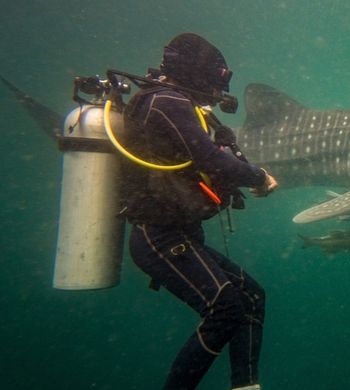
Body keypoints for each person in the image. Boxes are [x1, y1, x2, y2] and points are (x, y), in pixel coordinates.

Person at [118, 33, 277, 390]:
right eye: (218, 78)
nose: (220, 89)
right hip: (158, 235)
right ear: (198, 73)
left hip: (181, 232)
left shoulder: (177, 103)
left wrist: (241, 175)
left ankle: (246, 385)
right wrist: (258, 176)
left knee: (251, 297)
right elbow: (208, 158)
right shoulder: (165, 102)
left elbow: (209, 158)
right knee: (225, 307)